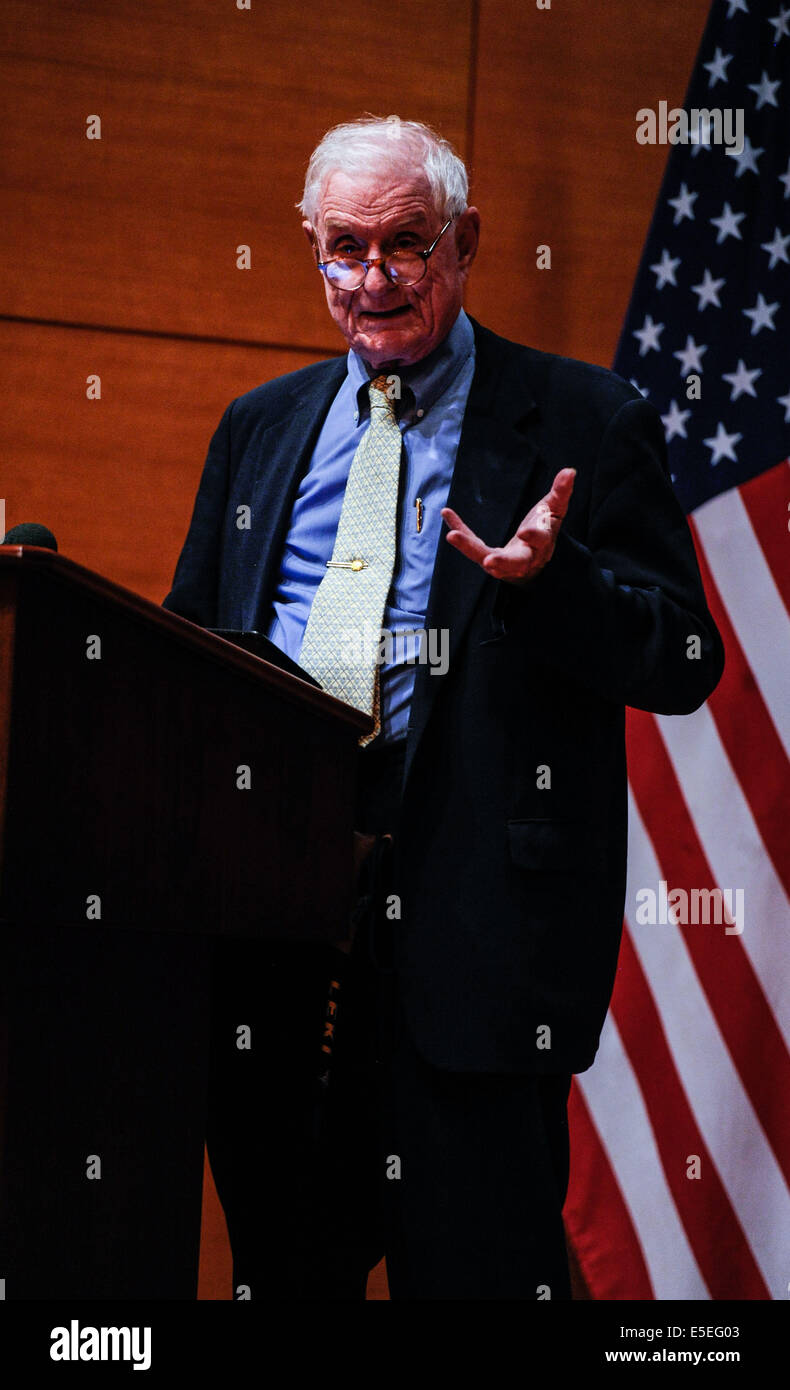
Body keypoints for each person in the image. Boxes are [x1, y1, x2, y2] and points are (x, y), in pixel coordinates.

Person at [163, 117, 724, 1300]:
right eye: (343, 248)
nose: (372, 280)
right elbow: (188, 660)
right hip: (272, 937)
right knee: (281, 1274)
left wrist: (555, 583)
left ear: (463, 244)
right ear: (309, 250)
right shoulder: (259, 428)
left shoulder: (582, 419)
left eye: (406, 245)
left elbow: (684, 657)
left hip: (479, 951)